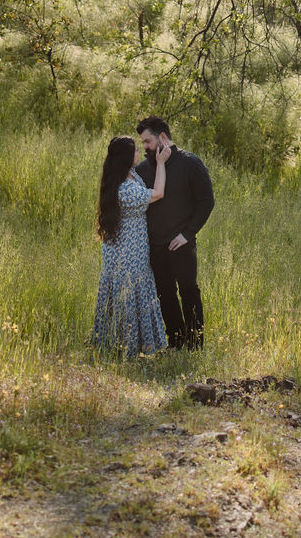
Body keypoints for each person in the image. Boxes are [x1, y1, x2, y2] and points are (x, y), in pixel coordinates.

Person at [135, 116, 214, 351]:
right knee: (165, 295)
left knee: (189, 291)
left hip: (182, 243)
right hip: (155, 246)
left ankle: (195, 345)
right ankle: (176, 343)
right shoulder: (143, 169)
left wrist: (188, 234)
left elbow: (206, 201)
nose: (145, 147)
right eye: (142, 143)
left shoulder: (191, 163)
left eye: (147, 141)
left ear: (162, 137)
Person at [92, 132, 172, 357]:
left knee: (127, 291)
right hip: (128, 250)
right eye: (136, 150)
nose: (140, 152)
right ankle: (127, 347)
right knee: (129, 291)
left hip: (125, 247)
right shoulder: (125, 189)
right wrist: (161, 162)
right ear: (126, 158)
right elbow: (158, 193)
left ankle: (123, 345)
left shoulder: (128, 176)